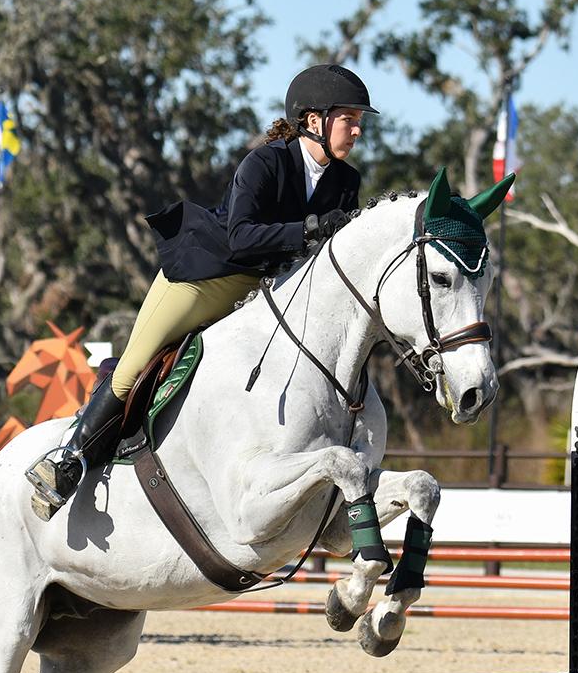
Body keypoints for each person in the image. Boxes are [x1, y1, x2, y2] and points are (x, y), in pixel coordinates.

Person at [26, 63, 377, 519]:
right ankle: (68, 459)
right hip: (205, 276)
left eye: (359, 122)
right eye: (349, 119)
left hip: (266, 289)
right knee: (135, 364)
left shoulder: (346, 181)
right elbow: (242, 237)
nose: (357, 132)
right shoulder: (265, 162)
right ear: (315, 121)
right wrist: (309, 228)